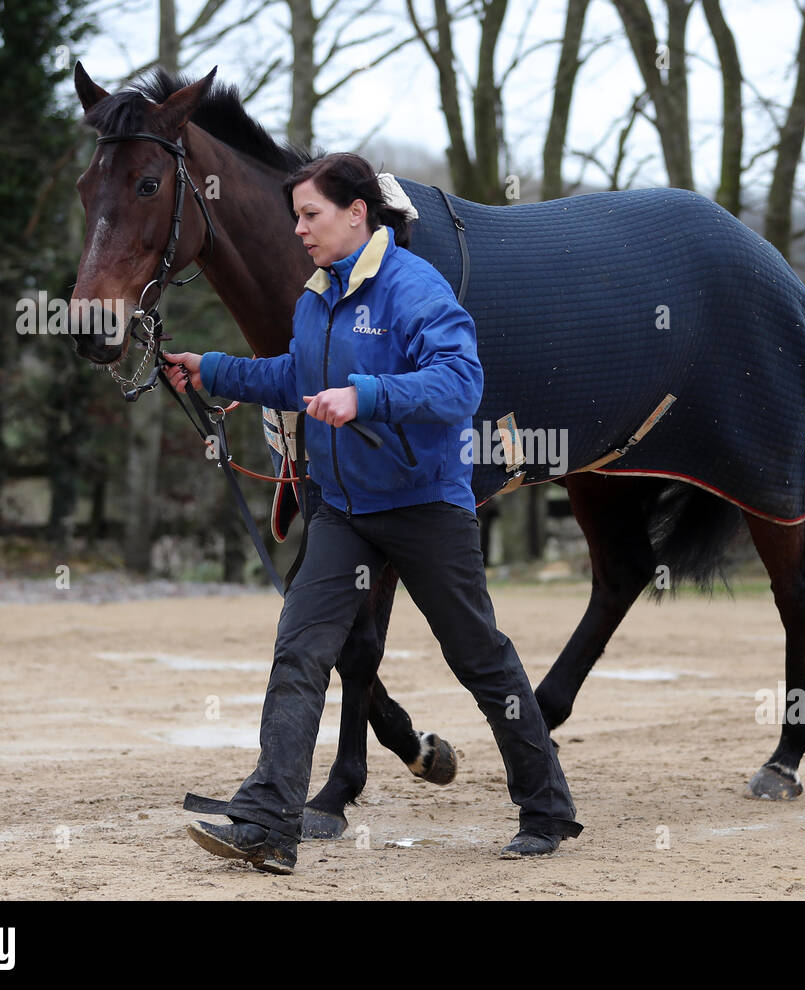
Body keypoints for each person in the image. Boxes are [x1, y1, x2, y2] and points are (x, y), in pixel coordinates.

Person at [163, 152, 582, 874]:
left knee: (478, 657)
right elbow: (298, 375)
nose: (298, 229)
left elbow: (458, 384)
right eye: (296, 216)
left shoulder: (414, 289)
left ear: (357, 213)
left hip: (425, 507)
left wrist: (367, 394)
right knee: (300, 650)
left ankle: (547, 806)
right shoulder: (317, 294)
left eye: (310, 215)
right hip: (343, 512)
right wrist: (216, 368)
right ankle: (269, 821)